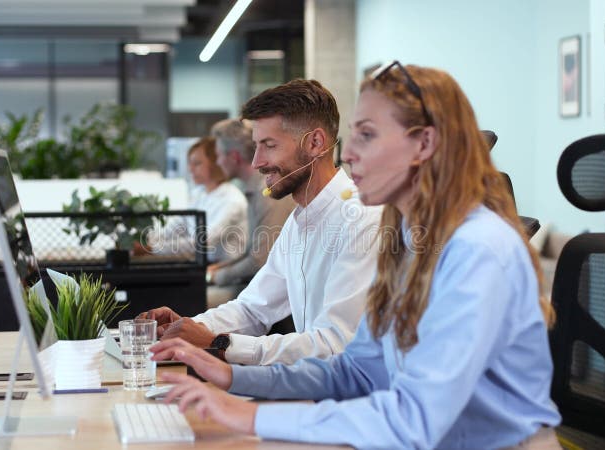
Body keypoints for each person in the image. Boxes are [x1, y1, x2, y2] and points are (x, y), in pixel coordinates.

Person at [148, 64, 562, 449]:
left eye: (367, 135)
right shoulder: (403, 238)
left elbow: (413, 418)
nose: (347, 155)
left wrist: (250, 413)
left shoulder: (477, 250)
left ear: (424, 144)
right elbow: (355, 370)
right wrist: (232, 374)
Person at [139, 79, 383, 366]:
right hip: (312, 386)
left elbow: (336, 344)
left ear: (315, 143)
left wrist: (220, 344)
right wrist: (189, 328)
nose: (256, 161)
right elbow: (253, 309)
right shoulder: (299, 221)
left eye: (269, 145)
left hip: (345, 399)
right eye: (256, 146)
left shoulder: (361, 219)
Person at [206, 118, 295, 308]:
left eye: (219, 155)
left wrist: (219, 275)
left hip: (279, 298)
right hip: (263, 287)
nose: (218, 162)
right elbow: (252, 252)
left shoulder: (267, 191)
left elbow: (260, 259)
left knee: (198, 301)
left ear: (235, 157)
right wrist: (220, 269)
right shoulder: (253, 189)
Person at [144, 137, 247, 264]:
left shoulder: (233, 201)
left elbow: (203, 242)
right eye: (190, 163)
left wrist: (152, 248)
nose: (190, 169)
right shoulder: (199, 194)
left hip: (225, 273)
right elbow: (177, 226)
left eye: (197, 163)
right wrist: (147, 241)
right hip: (203, 265)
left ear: (216, 163)